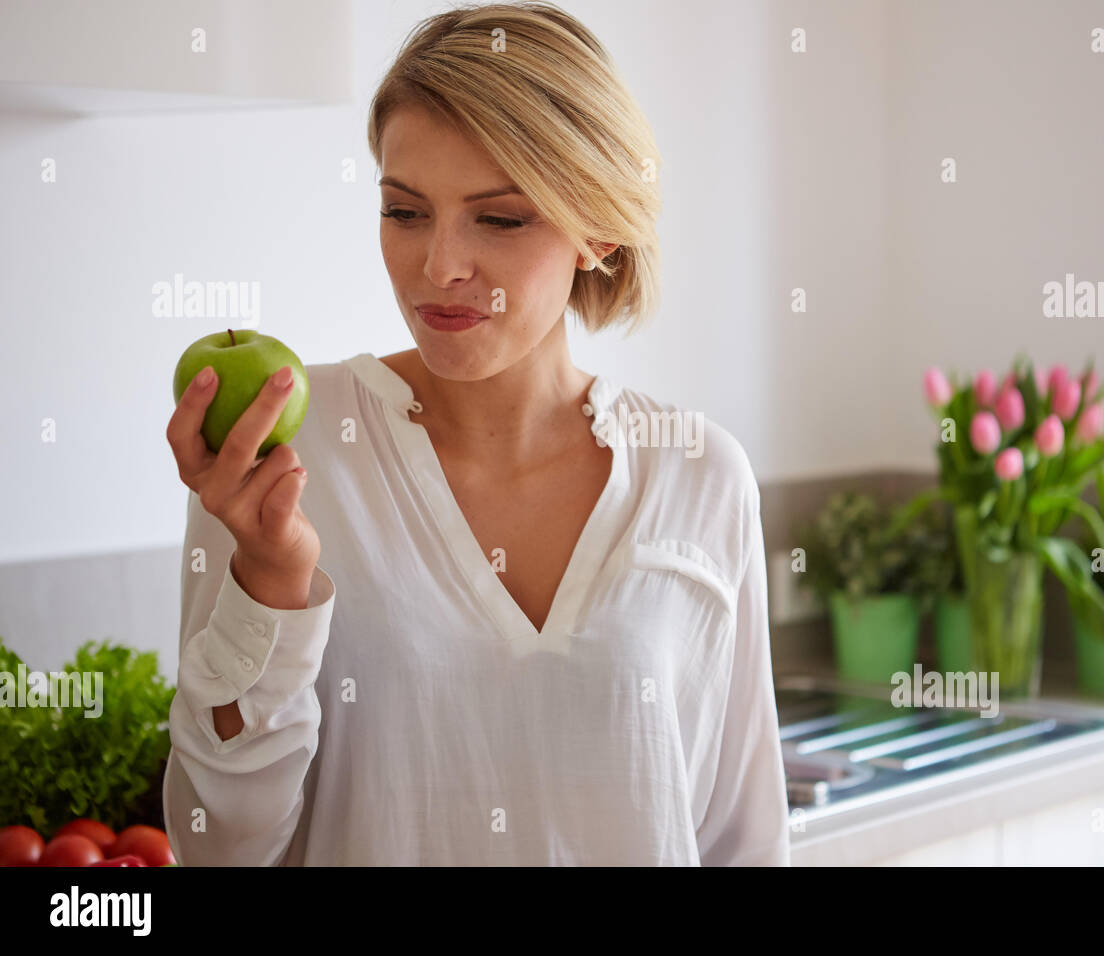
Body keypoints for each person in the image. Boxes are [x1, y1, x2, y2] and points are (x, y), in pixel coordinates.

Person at [162, 1, 789, 866]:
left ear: (598, 228)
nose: (439, 267)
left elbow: (741, 845)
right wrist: (269, 582)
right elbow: (219, 847)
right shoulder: (284, 461)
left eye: (499, 218)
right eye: (405, 211)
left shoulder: (700, 474)